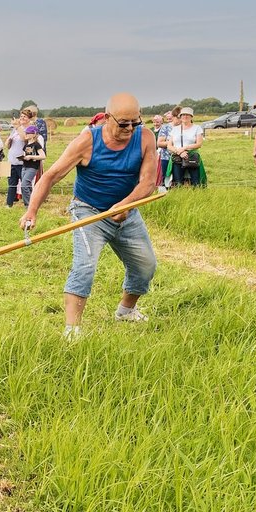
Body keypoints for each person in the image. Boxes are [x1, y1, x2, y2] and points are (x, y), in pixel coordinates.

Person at [21, 92, 157, 340]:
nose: (129, 128)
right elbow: (51, 175)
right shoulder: (87, 141)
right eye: (123, 123)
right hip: (88, 211)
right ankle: (72, 330)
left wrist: (125, 205)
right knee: (84, 267)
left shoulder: (146, 137)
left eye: (134, 123)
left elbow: (148, 182)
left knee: (146, 265)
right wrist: (31, 211)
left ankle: (126, 311)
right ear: (107, 118)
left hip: (126, 211)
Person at [166, 107, 205, 187]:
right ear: (180, 116)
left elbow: (199, 144)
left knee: (196, 182)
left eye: (187, 115)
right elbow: (169, 145)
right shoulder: (175, 129)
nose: (185, 117)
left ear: (191, 116)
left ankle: (198, 196)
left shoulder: (197, 128)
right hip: (177, 157)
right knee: (178, 182)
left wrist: (184, 148)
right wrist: (179, 152)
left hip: (192, 157)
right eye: (183, 115)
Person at [5, 110, 29, 207]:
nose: (22, 118)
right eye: (21, 116)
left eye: (25, 116)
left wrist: (18, 126)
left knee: (24, 184)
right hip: (12, 160)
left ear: (29, 119)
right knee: (11, 184)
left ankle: (27, 203)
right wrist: (8, 141)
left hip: (22, 161)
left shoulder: (29, 129)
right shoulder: (14, 130)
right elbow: (7, 145)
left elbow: (24, 138)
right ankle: (9, 203)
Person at [155, 110, 175, 187]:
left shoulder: (182, 127)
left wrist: (167, 141)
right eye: (168, 119)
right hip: (166, 156)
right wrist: (173, 142)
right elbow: (159, 143)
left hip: (179, 156)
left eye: (171, 118)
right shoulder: (165, 127)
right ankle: (163, 194)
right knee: (164, 178)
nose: (170, 121)